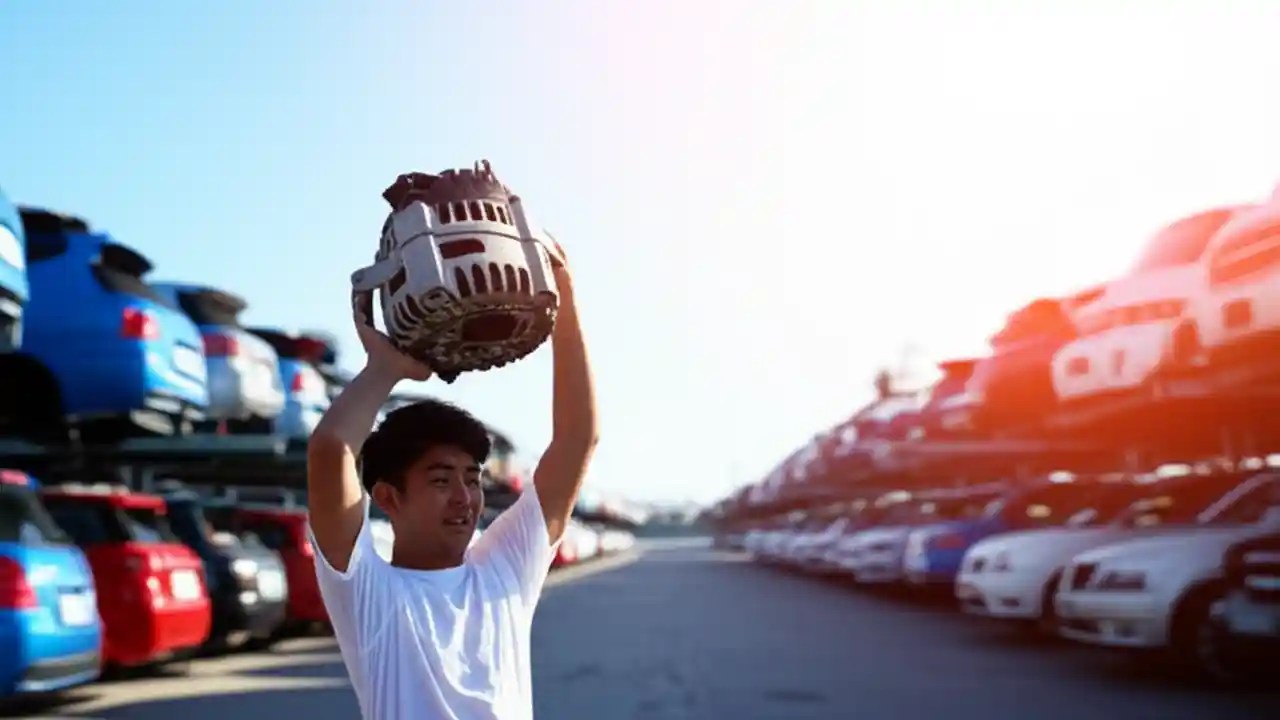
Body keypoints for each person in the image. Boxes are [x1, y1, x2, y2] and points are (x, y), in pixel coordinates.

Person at [306, 245, 597, 720]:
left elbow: (577, 437)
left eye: (472, 478)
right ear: (389, 496)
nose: (465, 498)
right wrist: (386, 369)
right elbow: (330, 452)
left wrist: (562, 294)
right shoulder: (369, 593)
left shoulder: (504, 573)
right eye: (441, 480)